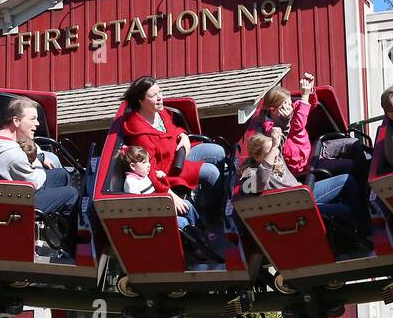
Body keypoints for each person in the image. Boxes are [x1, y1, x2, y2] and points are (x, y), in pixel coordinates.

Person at [120, 76, 228, 223]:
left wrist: (183, 136)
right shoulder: (141, 135)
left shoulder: (159, 112)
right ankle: (210, 213)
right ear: (141, 101)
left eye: (160, 92)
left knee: (218, 151)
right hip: (169, 170)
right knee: (211, 173)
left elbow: (173, 129)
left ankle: (211, 197)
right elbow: (150, 171)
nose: (160, 98)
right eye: (153, 96)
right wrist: (169, 194)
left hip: (179, 154)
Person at [236, 133, 372, 243]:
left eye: (275, 149)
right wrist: (272, 151)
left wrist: (277, 135)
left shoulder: (275, 154)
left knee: (347, 180)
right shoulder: (250, 175)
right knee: (345, 211)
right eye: (269, 152)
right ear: (257, 157)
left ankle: (362, 225)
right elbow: (260, 183)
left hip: (304, 191)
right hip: (298, 206)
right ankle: (361, 232)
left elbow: (286, 129)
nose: (276, 155)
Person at [0, 97, 78, 233]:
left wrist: (41, 155)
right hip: (13, 206)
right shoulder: (13, 155)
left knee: (62, 175)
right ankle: (68, 244)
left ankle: (58, 225)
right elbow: (35, 182)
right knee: (71, 194)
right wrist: (36, 161)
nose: (37, 124)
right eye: (32, 119)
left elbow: (27, 143)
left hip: (10, 191)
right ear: (16, 121)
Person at [252, 74, 368, 183]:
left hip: (314, 150)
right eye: (286, 104)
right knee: (351, 166)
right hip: (306, 168)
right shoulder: (271, 129)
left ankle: (368, 185)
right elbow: (297, 126)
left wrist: (310, 90)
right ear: (273, 110)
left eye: (289, 102)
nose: (290, 107)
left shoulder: (289, 110)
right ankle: (363, 195)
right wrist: (304, 97)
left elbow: (311, 105)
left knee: (354, 144)